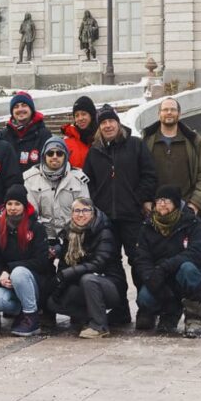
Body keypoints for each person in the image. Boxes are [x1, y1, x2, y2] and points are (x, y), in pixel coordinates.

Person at [84, 103, 157, 327]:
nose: (107, 125)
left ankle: (146, 309)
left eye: (111, 121)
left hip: (132, 216)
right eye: (103, 122)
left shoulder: (135, 145)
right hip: (106, 220)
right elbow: (88, 182)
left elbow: (149, 175)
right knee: (111, 265)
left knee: (139, 262)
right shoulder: (95, 151)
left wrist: (139, 199)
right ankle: (120, 309)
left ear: (118, 123)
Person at [134, 185, 201, 338]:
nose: (162, 204)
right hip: (160, 276)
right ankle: (169, 313)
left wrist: (166, 267)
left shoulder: (191, 222)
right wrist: (151, 278)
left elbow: (196, 252)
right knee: (145, 298)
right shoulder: (147, 226)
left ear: (175, 203)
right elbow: (142, 258)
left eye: (167, 201)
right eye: (159, 200)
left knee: (188, 269)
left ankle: (194, 317)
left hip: (182, 272)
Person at [52, 196, 126, 338]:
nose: (80, 214)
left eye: (85, 210)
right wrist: (58, 287)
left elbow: (99, 264)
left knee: (88, 279)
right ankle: (87, 317)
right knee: (54, 302)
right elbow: (63, 265)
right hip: (83, 282)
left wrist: (70, 273)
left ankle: (99, 326)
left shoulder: (104, 232)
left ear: (92, 212)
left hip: (110, 284)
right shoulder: (69, 233)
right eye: (77, 210)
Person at [0, 184, 52, 336]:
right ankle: (22, 313)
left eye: (17, 204)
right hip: (11, 282)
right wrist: (1, 274)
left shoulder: (36, 228)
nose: (13, 207)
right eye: (9, 204)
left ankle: (32, 317)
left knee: (19, 272)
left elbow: (42, 262)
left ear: (24, 205)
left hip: (34, 281)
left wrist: (10, 269)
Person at [142, 97, 201, 224]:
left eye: (173, 109)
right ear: (159, 114)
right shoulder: (146, 141)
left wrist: (195, 204)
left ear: (179, 114)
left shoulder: (194, 140)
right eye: (165, 110)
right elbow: (138, 174)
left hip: (186, 211)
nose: (169, 112)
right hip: (155, 212)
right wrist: (145, 201)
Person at [23, 136, 90, 238]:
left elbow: (84, 212)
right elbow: (30, 213)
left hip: (72, 235)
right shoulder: (30, 178)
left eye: (59, 153)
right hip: (42, 237)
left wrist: (71, 236)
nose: (54, 156)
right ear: (44, 156)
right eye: (50, 153)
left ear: (65, 156)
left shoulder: (78, 178)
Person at [3, 92, 51, 171]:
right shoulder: (4, 135)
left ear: (31, 109)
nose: (20, 109)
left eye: (24, 105)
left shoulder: (43, 134)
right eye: (16, 106)